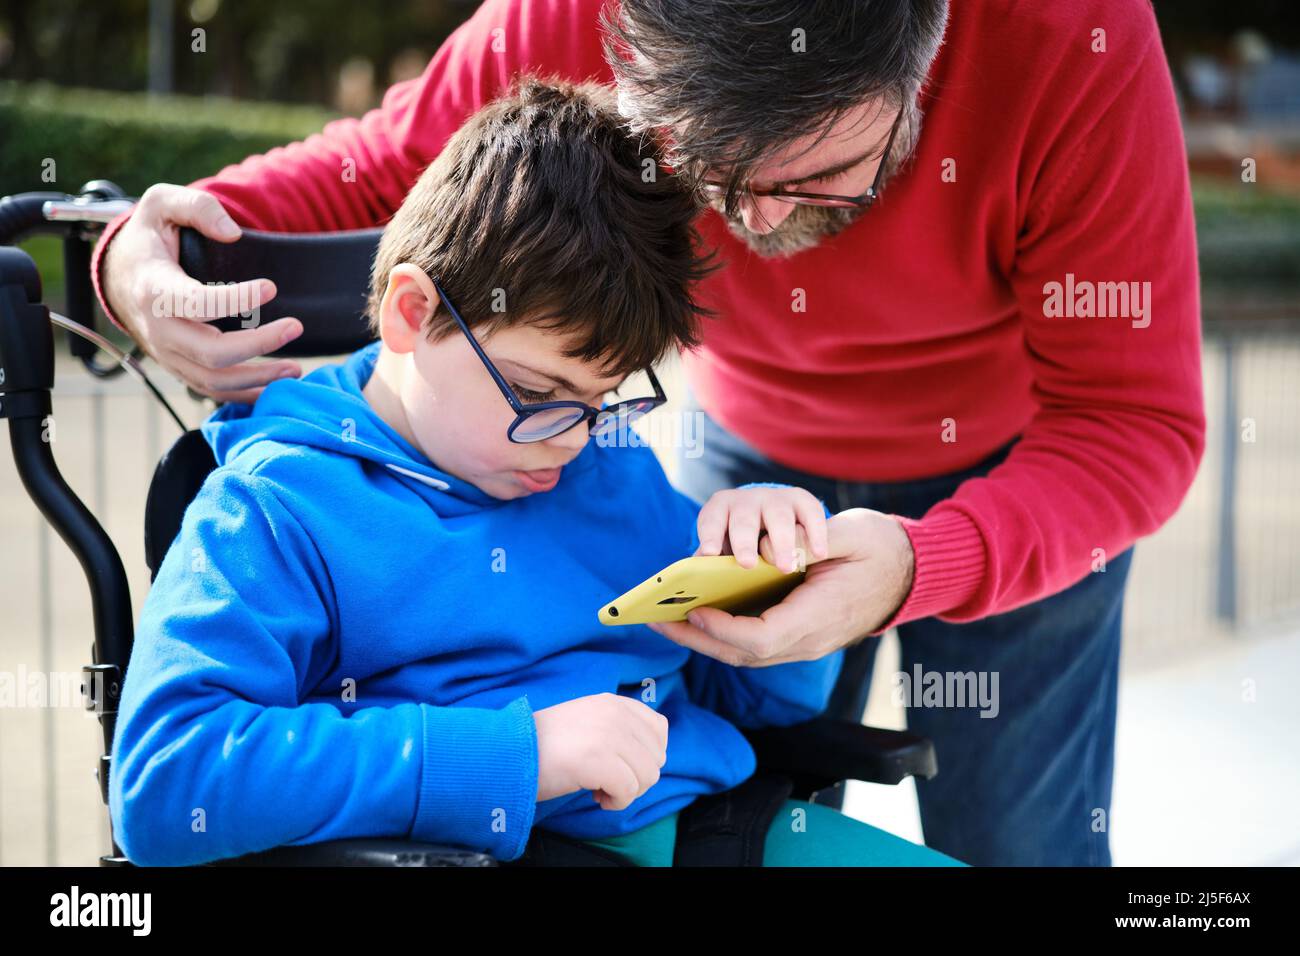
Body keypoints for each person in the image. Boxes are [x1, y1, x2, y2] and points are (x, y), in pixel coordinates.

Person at [94, 0, 1205, 866]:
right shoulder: (330, 499)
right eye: (706, 166)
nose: (757, 223)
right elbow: (404, 164)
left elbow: (1132, 420)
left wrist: (904, 565)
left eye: (821, 173)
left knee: (1026, 839)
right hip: (749, 447)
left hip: (1022, 465)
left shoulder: (1071, 40)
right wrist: (139, 254)